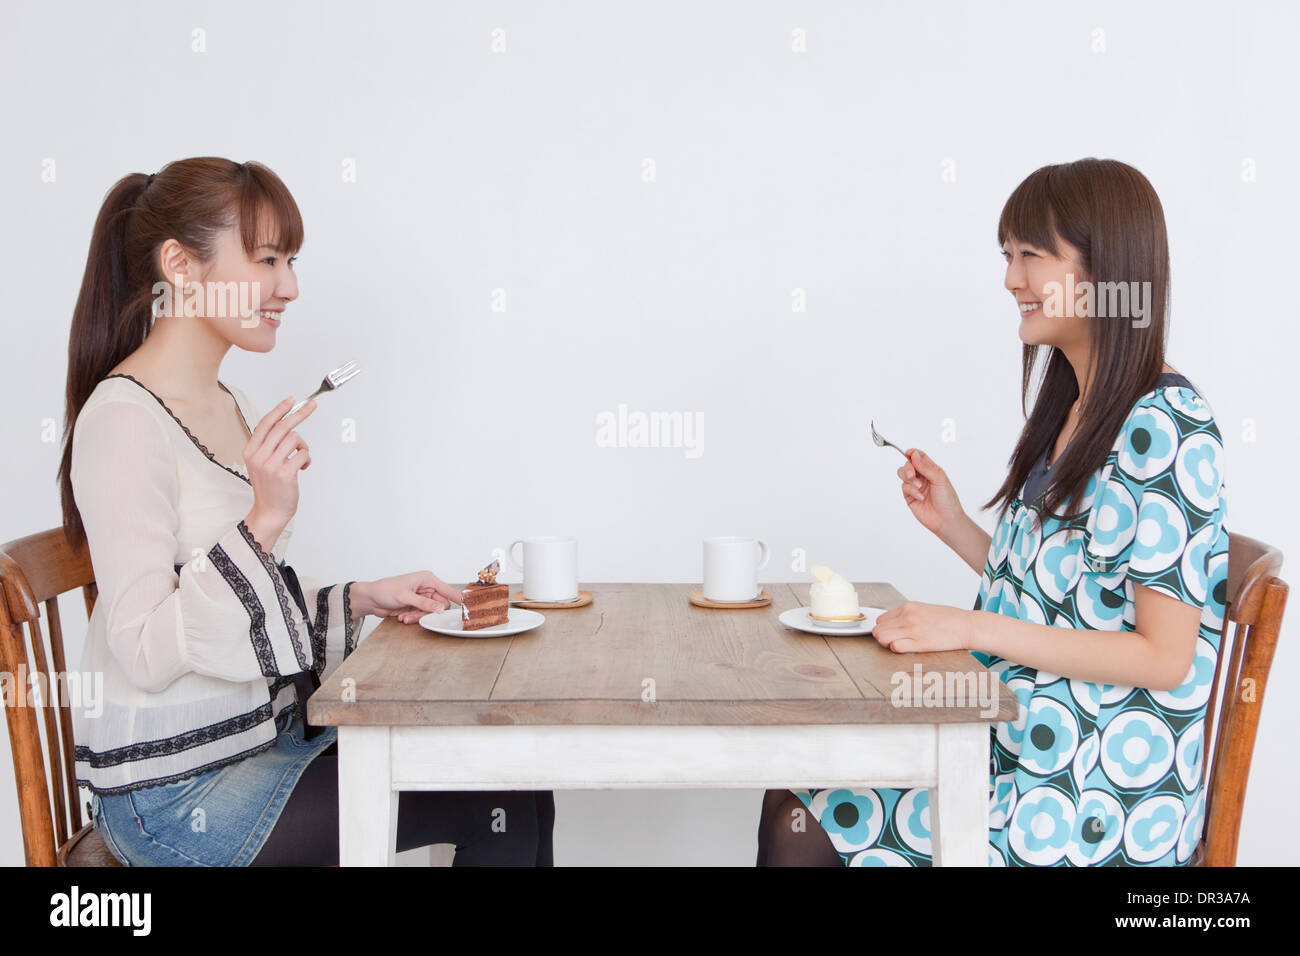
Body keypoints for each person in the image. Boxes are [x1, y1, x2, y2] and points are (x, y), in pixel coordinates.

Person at [59, 157, 554, 865]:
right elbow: (142, 650)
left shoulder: (236, 408)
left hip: (263, 744)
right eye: (266, 259)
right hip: (174, 794)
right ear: (181, 265)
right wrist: (260, 520)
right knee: (493, 798)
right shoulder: (122, 422)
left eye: (290, 261)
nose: (288, 287)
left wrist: (359, 601)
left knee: (517, 779)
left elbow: (240, 613)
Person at [757, 158, 1228, 866]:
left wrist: (970, 625)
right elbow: (1070, 599)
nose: (1012, 279)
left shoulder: (1168, 424)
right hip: (1030, 743)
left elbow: (1163, 657)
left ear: (1105, 270)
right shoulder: (1075, 409)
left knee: (803, 813)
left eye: (1031, 255)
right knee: (796, 795)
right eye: (1008, 255)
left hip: (1094, 793)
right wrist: (955, 526)